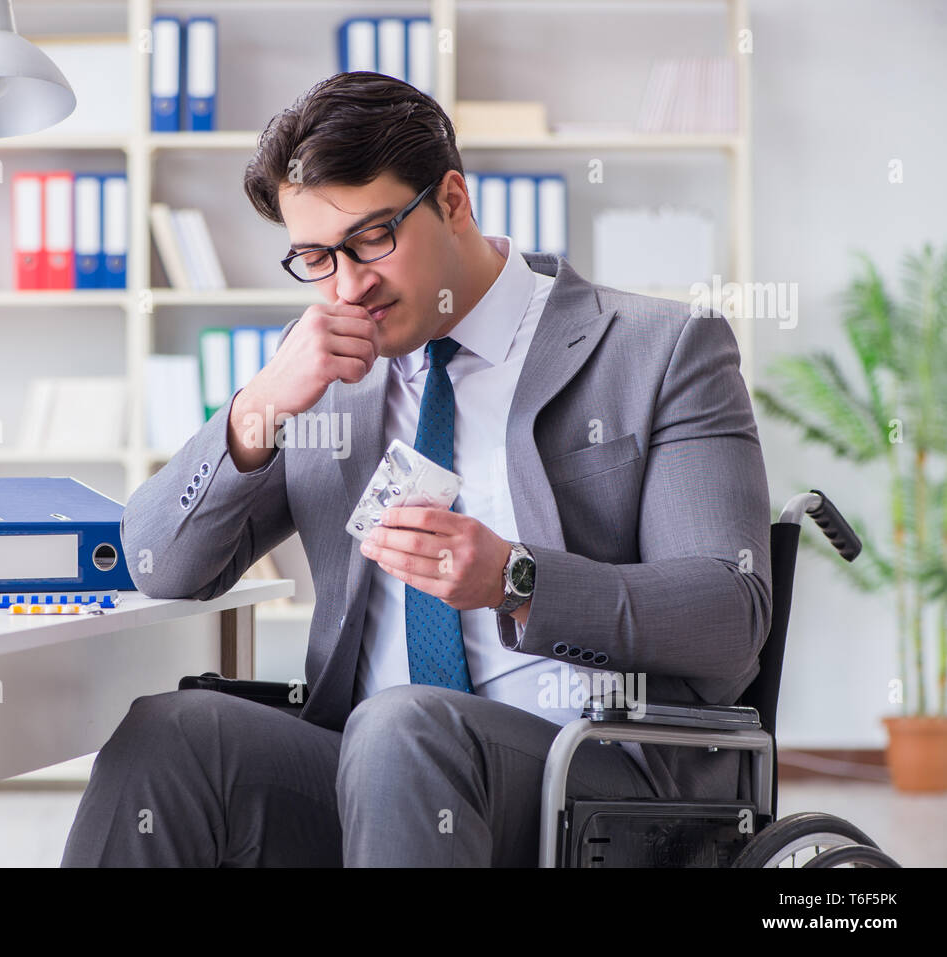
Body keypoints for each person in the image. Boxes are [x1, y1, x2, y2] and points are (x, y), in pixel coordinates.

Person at [61, 71, 772, 867]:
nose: (349, 285)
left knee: (405, 725)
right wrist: (258, 403)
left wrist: (518, 578)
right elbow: (161, 563)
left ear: (454, 201)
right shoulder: (333, 376)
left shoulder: (657, 348)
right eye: (316, 258)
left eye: (371, 240)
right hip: (370, 773)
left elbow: (730, 612)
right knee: (170, 735)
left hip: (590, 781)